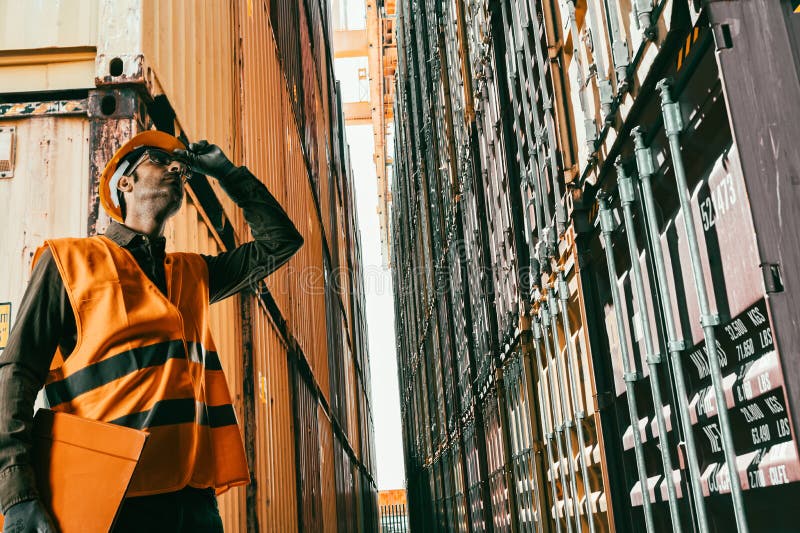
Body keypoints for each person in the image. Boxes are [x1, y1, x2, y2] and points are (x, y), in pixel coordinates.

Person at [0, 131, 303, 532]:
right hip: (108, 498)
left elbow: (280, 243)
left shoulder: (194, 272)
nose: (177, 167)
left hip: (192, 501)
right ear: (124, 182)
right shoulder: (69, 262)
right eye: (159, 160)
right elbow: (16, 373)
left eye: (181, 165)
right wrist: (17, 494)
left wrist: (226, 173)